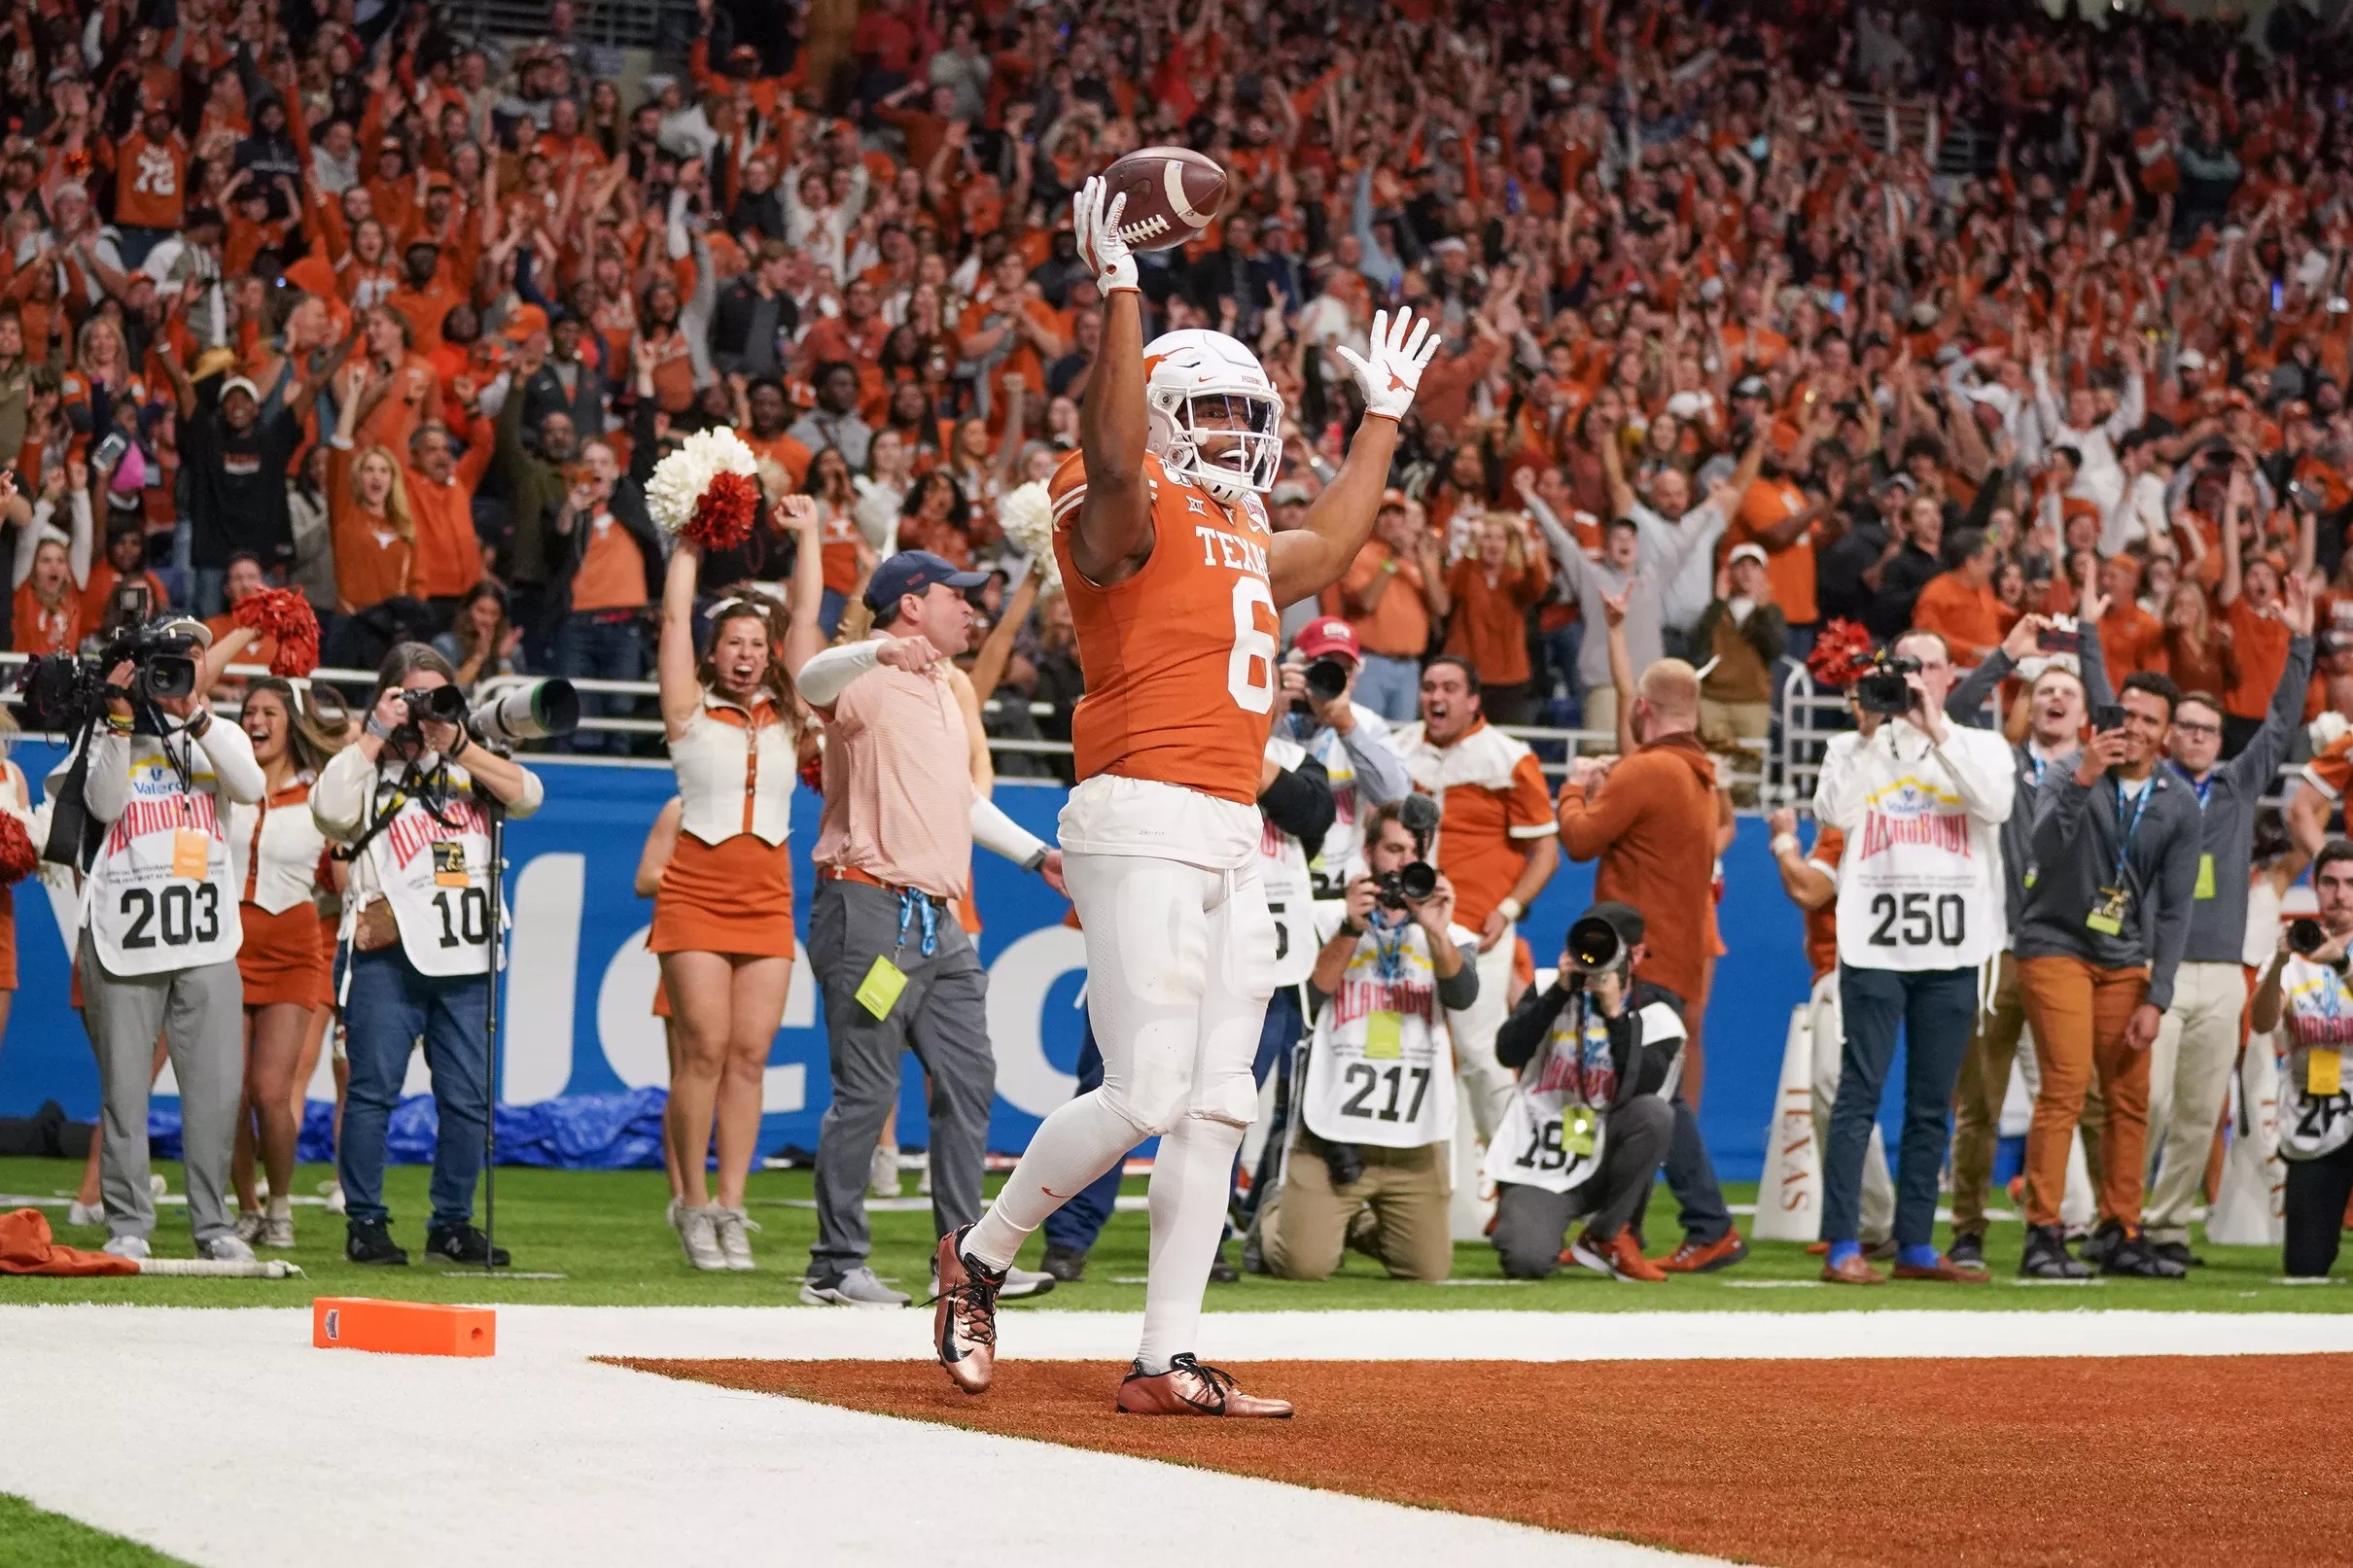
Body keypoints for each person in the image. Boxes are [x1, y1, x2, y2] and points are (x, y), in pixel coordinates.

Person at [932, 177, 1434, 1418]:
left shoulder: (1240, 525)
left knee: (1216, 1104)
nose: (1230, 429)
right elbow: (1112, 460)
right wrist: (1120, 290)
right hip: (1141, 804)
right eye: (1205, 408)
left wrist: (1381, 416)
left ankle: (1164, 1355)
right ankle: (978, 1254)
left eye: (1243, 411)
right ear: (1153, 408)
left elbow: (1332, 543)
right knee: (1144, 1090)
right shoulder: (1118, 491)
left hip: (1229, 826)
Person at [792, 549, 1070, 1307]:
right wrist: (874, 650)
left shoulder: (944, 685)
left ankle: (963, 1258)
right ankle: (834, 1264)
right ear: (911, 604)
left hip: (936, 923)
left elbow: (959, 799)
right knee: (867, 1090)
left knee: (969, 1079)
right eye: (959, 595)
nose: (972, 607)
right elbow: (808, 680)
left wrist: (1034, 854)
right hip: (868, 909)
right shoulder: (867, 678)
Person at [311, 643, 544, 1267]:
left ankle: (452, 1224)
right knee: (372, 1093)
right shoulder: (366, 767)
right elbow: (328, 813)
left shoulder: (469, 761)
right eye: (410, 696)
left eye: (435, 696)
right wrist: (374, 732)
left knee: (468, 1100)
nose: (422, 711)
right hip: (386, 958)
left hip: (467, 960)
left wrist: (458, 743)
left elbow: (528, 796)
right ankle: (365, 1222)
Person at [1809, 629, 2015, 1284]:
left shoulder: (1982, 746)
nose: (1917, 677)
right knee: (1858, 1095)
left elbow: (1995, 805)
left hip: (1953, 949)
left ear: (1950, 674)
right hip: (1874, 947)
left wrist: (1936, 731)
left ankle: (1917, 1245)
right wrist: (1872, 732)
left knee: (1931, 1105)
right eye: (1905, 667)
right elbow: (1834, 812)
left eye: (1928, 666)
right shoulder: (1852, 747)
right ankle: (1844, 1242)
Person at [651, 499, 825, 1271]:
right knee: (703, 1051)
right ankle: (691, 1203)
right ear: (713, 651)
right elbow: (672, 618)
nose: (746, 654)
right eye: (733, 643)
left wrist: (809, 534)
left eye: (758, 643)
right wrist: (690, 541)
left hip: (768, 896)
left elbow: (809, 617)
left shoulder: (791, 716)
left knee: (750, 1056)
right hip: (694, 891)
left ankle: (730, 1205)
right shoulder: (688, 711)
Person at [65, 617, 264, 1261]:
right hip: (124, 938)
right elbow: (103, 804)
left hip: (207, 939)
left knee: (216, 1091)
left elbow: (252, 787)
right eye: (167, 658)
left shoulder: (219, 732)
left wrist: (195, 718)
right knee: (124, 1089)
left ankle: (215, 1226)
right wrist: (121, 721)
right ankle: (128, 1222)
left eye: (190, 657)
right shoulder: (106, 727)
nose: (176, 671)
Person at [1556, 647, 1744, 1272]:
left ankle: (1710, 1225)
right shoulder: (1701, 777)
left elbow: (1580, 840)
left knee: (1655, 1100)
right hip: (1675, 958)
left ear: (1642, 708)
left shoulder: (1650, 769)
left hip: (1638, 964)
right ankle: (1620, 1230)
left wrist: (1575, 787)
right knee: (1638, 1095)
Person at [2142, 584, 2312, 1268]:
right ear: (2168, 733)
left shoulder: (2237, 786)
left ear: (2219, 739)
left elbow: (2281, 721)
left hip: (2221, 970)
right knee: (2148, 1103)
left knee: (2198, 1112)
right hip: (2155, 968)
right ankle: (2116, 1218)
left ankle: (2165, 1228)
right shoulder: (2147, 786)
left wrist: (2300, 643)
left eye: (2207, 730)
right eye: (2185, 726)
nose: (2196, 737)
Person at [2014, 671, 2203, 1279]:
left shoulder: (2178, 802)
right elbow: (2042, 851)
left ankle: (2120, 1229)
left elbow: (2175, 909)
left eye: (2150, 720)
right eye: (2129, 715)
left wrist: (2159, 995)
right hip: (2054, 943)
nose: (2136, 729)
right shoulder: (2068, 770)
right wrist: (2085, 777)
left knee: (2129, 1098)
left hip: (2124, 956)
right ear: (2109, 717)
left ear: (2166, 733)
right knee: (2066, 1085)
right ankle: (2043, 1233)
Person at [1939, 609, 2110, 1268]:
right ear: (2028, 706)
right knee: (1979, 1101)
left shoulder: (2103, 779)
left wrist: (2088, 643)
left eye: (2069, 691)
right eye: (2045, 691)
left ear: (2086, 714)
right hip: (1999, 951)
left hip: (2069, 954)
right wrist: (2006, 657)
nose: (2056, 698)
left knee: (2084, 1098)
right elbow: (1954, 714)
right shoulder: (1999, 766)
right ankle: (1968, 1229)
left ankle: (2101, 1225)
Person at [1261, 800, 1475, 1282]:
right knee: (1303, 1266)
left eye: (1414, 852)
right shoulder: (1325, 918)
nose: (1403, 863)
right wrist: (1351, 927)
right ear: (1369, 852)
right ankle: (1277, 1214)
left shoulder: (1451, 932)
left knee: (1427, 1271)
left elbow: (1462, 996)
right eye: (1393, 849)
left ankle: (1351, 1225)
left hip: (1413, 1139)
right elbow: (1307, 1001)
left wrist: (1436, 933)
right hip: (1333, 1133)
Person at [1391, 655, 1558, 1143]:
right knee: (1400, 1047)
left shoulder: (1508, 757)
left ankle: (1508, 1170)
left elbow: (1546, 851)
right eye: (1428, 687)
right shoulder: (1398, 750)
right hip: (1406, 925)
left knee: (1482, 1056)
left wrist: (1507, 910)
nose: (1436, 697)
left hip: (1474, 929)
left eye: (1449, 688)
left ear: (1473, 700)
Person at [1488, 903, 1685, 1282]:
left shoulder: (1657, 1013)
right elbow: (1507, 1052)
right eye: (1586, 944)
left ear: (1636, 955)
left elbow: (1643, 1087)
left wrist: (1615, 1017)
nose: (1594, 956)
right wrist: (1557, 995)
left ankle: (1607, 1234)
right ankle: (1521, 1215)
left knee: (1653, 1114)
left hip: (1605, 1157)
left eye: (1607, 947)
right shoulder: (1548, 986)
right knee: (1526, 1262)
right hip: (1542, 1158)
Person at [225, 675, 341, 1248]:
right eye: (249, 711)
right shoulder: (224, 784)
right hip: (223, 947)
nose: (256, 721)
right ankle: (245, 1206)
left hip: (293, 950)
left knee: (271, 1090)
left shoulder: (321, 795)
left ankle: (280, 1206)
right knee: (228, 1092)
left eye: (269, 712)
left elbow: (343, 876)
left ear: (291, 724)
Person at [1763, 805, 1895, 1252]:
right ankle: (1862, 1218)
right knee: (1834, 1094)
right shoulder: (1846, 828)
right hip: (1843, 971)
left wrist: (1784, 841)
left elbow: (1808, 889)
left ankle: (1873, 1220)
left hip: (1846, 973)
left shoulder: (1845, 828)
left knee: (1836, 1090)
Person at [2248, 839, 2353, 1279]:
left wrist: (2342, 965)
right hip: (2317, 1118)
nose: (2340, 895)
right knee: (2304, 1267)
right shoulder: (2294, 954)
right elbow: (2261, 1023)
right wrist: (2277, 964)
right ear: (2315, 887)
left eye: (2350, 884)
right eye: (2329, 882)